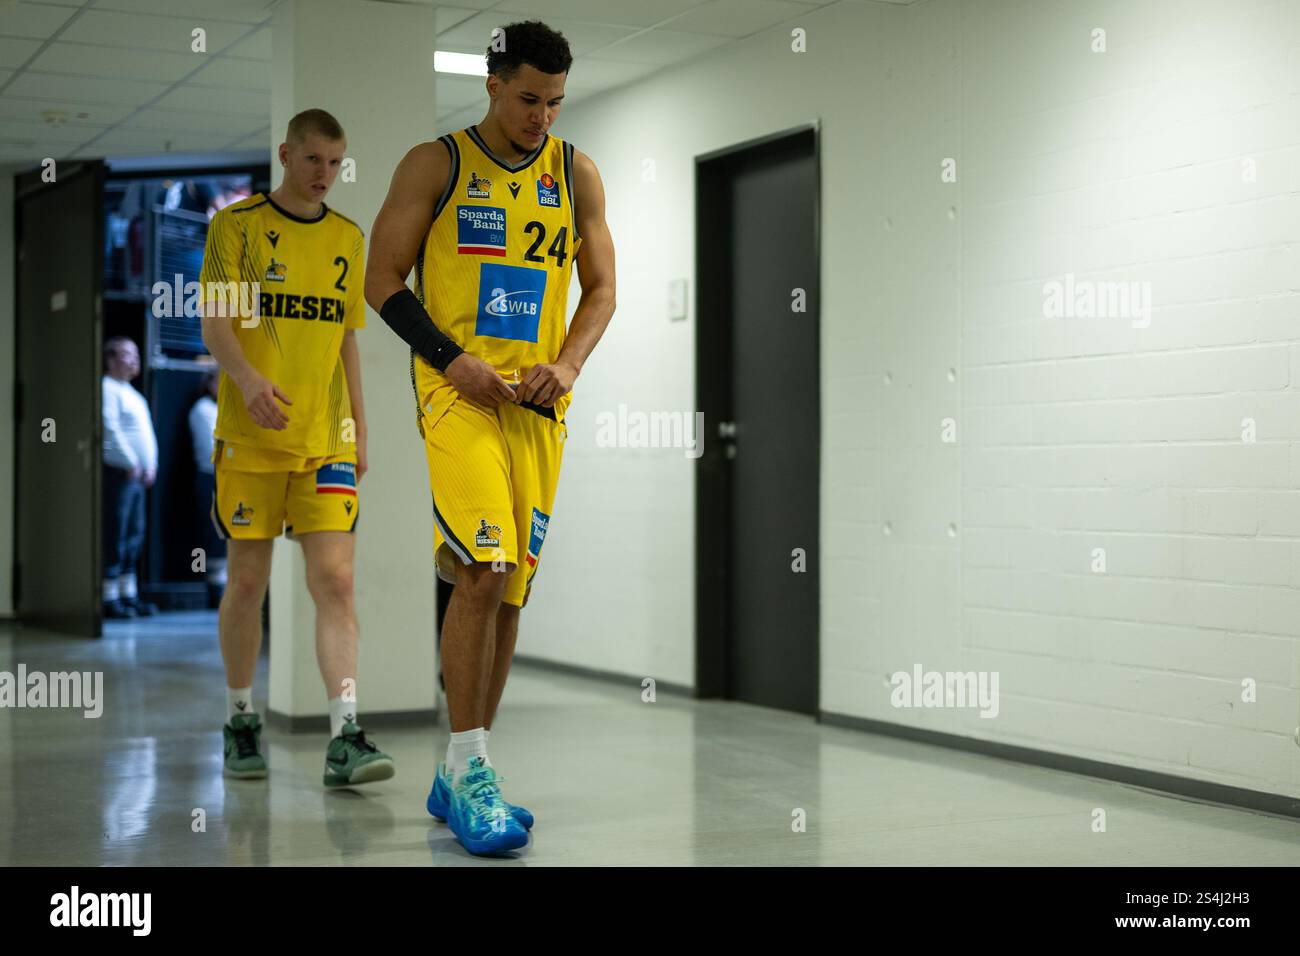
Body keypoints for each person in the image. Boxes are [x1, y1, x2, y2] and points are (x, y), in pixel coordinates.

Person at [365, 20, 617, 855]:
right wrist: (451, 359)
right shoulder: (435, 164)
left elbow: (602, 289)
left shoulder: (575, 172)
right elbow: (381, 279)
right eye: (527, 99)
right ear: (493, 85)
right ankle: (473, 770)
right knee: (482, 567)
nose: (541, 116)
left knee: (510, 593)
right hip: (457, 396)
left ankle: (460, 770)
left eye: (555, 102)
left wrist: (569, 365)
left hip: (537, 409)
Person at [199, 108, 394, 787]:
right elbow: (216, 323)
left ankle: (346, 736)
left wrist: (360, 426)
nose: (325, 175)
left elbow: (346, 338)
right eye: (313, 160)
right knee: (248, 583)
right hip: (251, 439)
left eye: (335, 163)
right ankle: (240, 719)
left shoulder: (347, 236)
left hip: (326, 441)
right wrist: (249, 380)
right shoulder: (237, 226)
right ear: (286, 155)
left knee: (336, 581)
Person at [102, 336, 159, 619]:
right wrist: (130, 462)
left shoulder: (134, 394)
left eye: (136, 354)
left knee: (134, 536)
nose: (134, 359)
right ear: (110, 358)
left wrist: (151, 465)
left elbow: (145, 434)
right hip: (120, 474)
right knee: (116, 535)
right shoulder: (107, 388)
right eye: (126, 354)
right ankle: (109, 597)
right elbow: (109, 429)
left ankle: (129, 595)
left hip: (138, 477)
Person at [188, 369, 226, 608]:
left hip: (231, 478)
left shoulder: (227, 409)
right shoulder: (202, 409)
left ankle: (224, 583)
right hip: (211, 476)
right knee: (213, 533)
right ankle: (214, 588)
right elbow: (212, 448)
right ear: (210, 384)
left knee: (228, 532)